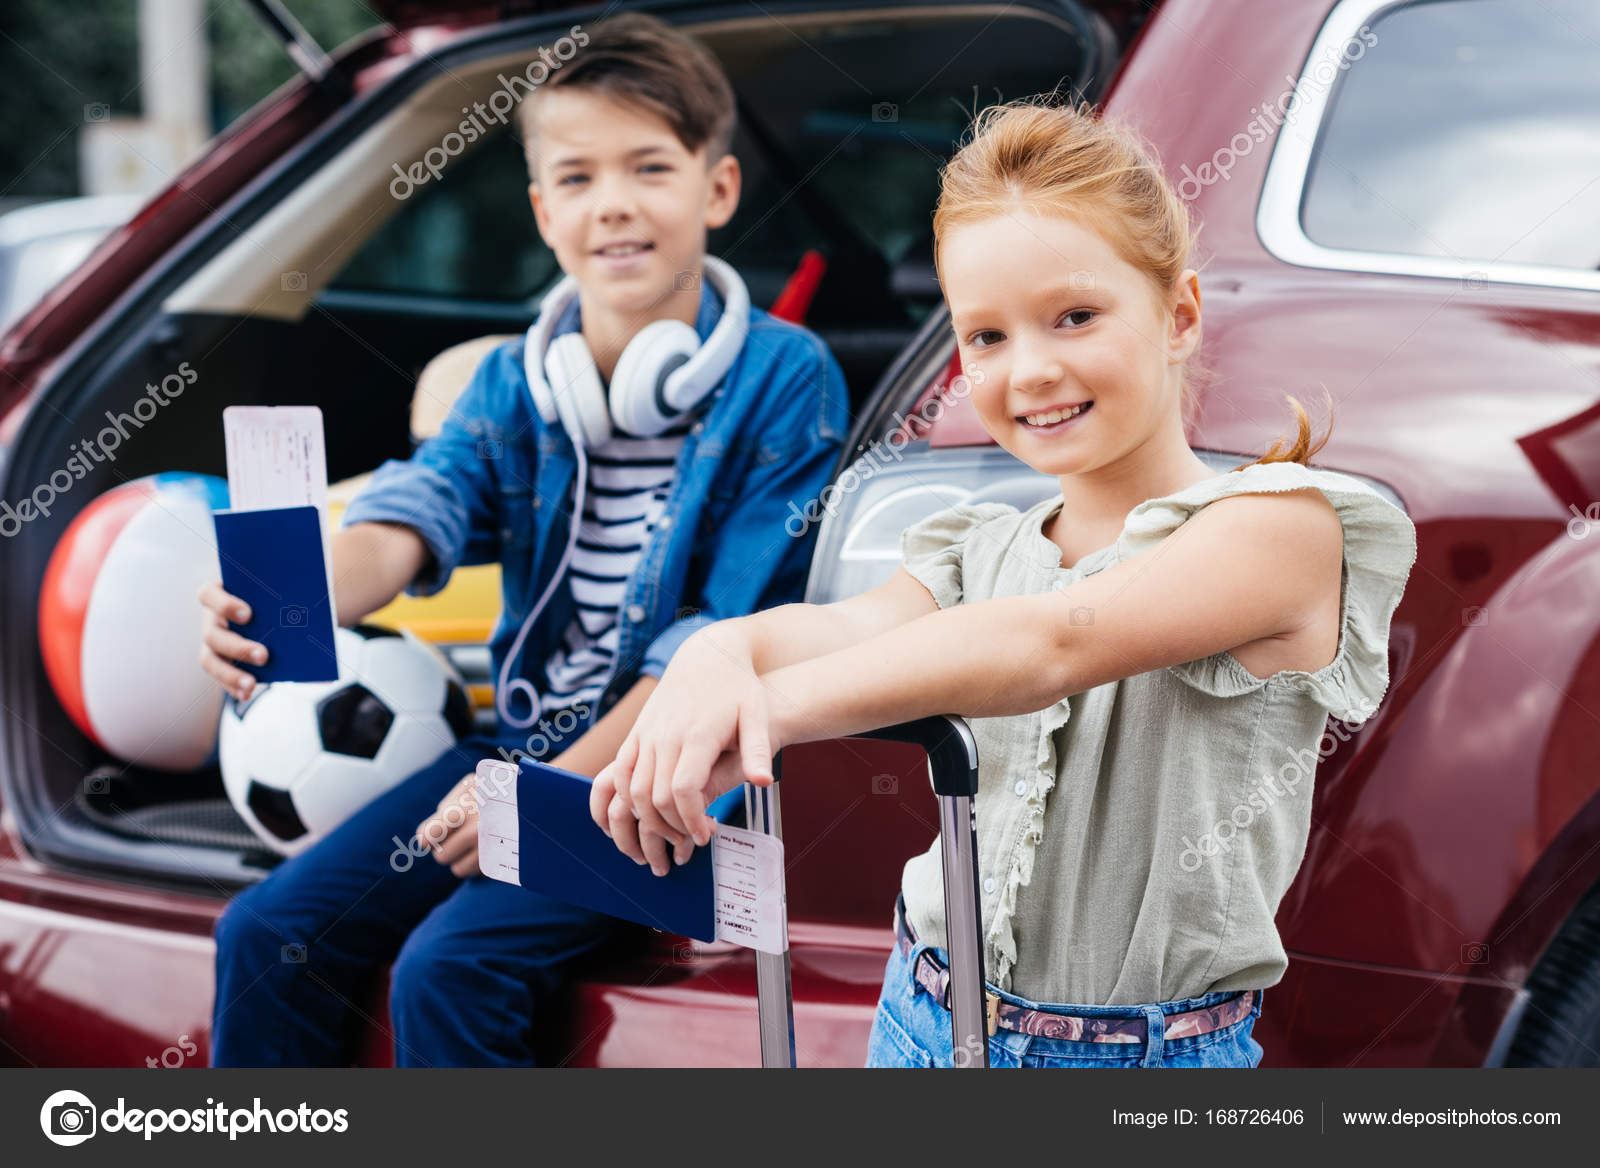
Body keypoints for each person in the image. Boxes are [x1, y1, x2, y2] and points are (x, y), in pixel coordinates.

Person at [590, 97, 1419, 1069]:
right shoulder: (977, 548)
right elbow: (844, 629)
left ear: (1179, 315)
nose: (1029, 370)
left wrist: (761, 714)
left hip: (1141, 1057)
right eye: (985, 337)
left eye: (1075, 317)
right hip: (922, 1015)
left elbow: (1050, 644)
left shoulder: (1277, 527)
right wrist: (715, 656)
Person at [200, 12, 849, 1067]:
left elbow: (715, 641)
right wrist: (282, 599)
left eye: (649, 167)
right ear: (545, 211)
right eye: (578, 178)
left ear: (719, 189)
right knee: (266, 935)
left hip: (668, 784)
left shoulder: (788, 378)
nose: (614, 203)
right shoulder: (513, 380)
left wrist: (531, 803)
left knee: (448, 968)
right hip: (522, 750)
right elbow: (415, 515)